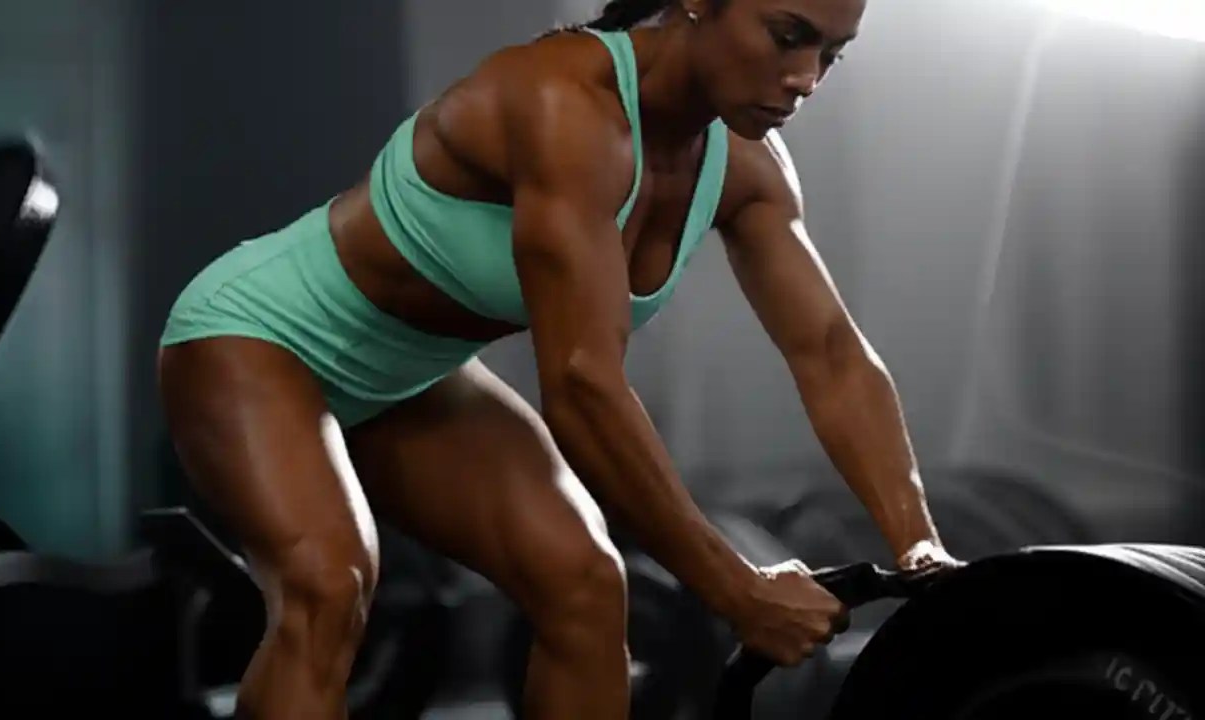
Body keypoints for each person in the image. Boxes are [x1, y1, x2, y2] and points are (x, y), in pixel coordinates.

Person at [156, 0, 961, 717]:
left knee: (585, 587)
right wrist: (734, 587)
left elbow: (829, 355)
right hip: (260, 336)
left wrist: (919, 551)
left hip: (413, 377)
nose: (807, 78)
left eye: (831, 53)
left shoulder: (747, 166)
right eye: (789, 36)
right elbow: (580, 385)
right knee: (329, 590)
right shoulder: (563, 103)